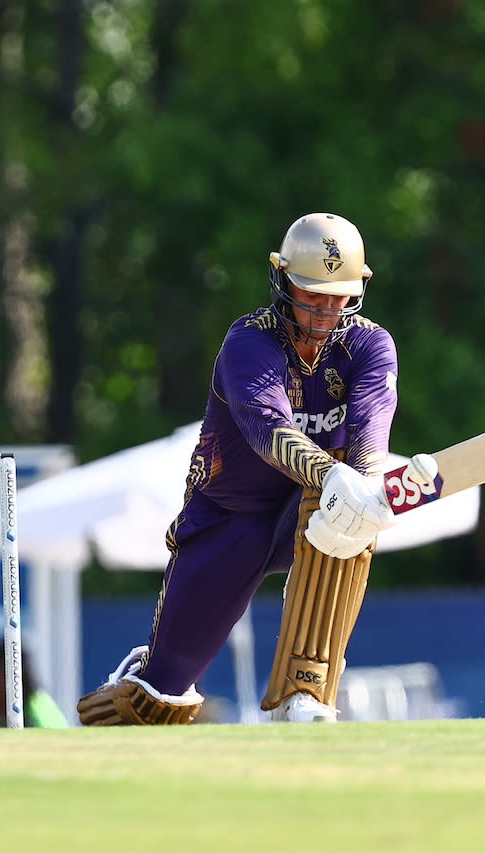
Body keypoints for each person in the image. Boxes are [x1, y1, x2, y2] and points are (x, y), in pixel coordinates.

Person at [77, 212, 433, 726]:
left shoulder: (370, 345)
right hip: (229, 515)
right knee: (160, 700)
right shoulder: (249, 341)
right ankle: (135, 681)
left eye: (337, 295)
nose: (325, 310)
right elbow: (270, 433)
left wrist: (362, 481)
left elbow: (372, 425)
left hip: (302, 508)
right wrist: (337, 477)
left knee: (344, 516)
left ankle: (304, 689)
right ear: (283, 279)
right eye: (311, 293)